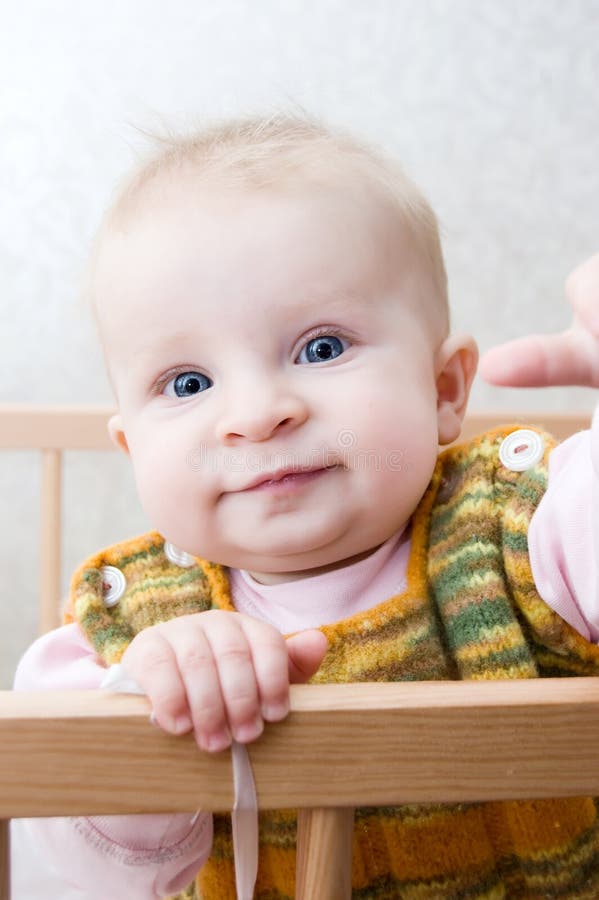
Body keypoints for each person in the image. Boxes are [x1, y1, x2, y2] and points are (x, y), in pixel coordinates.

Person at [14, 114, 599, 899]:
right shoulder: (120, 640)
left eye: (320, 348)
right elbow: (75, 867)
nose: (255, 413)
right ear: (133, 452)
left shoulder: (529, 531)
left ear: (443, 391)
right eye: (188, 384)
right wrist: (149, 704)